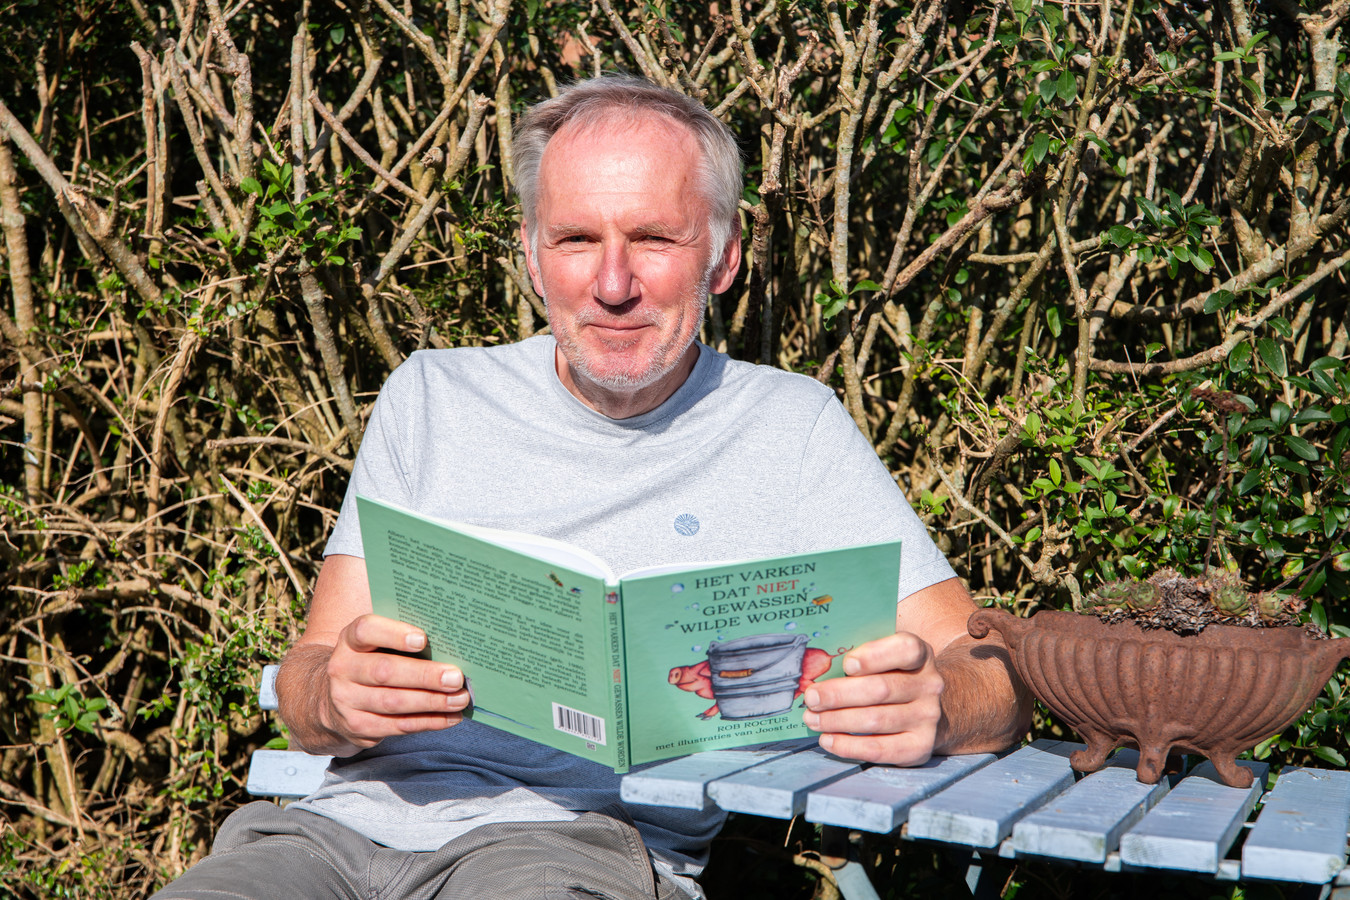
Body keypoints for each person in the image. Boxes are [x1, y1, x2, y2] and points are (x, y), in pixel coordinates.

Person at [154, 75, 1030, 900]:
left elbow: (993, 670)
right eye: (577, 240)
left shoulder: (791, 429)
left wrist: (942, 704)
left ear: (722, 259)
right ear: (534, 259)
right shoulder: (431, 396)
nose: (613, 286)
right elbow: (309, 679)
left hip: (573, 847)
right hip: (325, 839)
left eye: (654, 239)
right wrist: (333, 697)